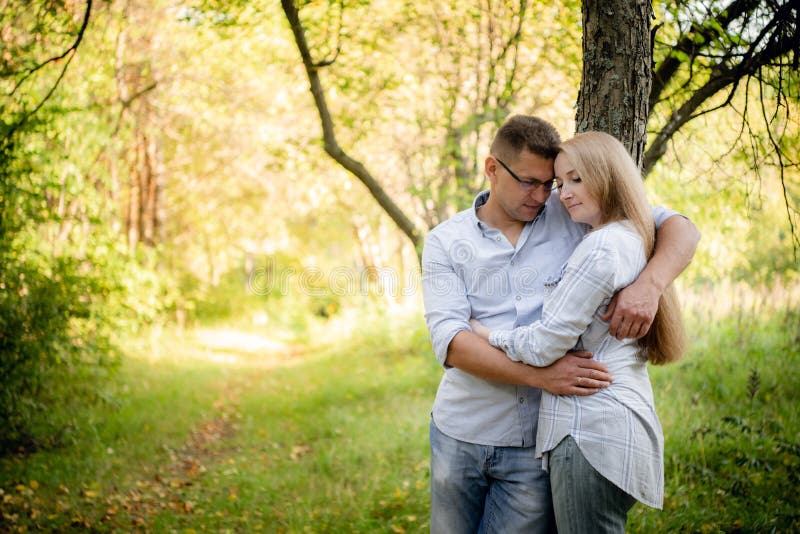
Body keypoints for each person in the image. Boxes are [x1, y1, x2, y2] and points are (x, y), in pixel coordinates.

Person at [421, 115, 700, 533]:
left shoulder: (572, 210)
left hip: (536, 443)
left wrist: (651, 284)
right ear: (493, 169)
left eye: (548, 183)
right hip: (462, 429)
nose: (541, 195)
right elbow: (454, 342)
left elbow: (680, 227)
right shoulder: (445, 241)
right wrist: (544, 377)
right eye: (528, 182)